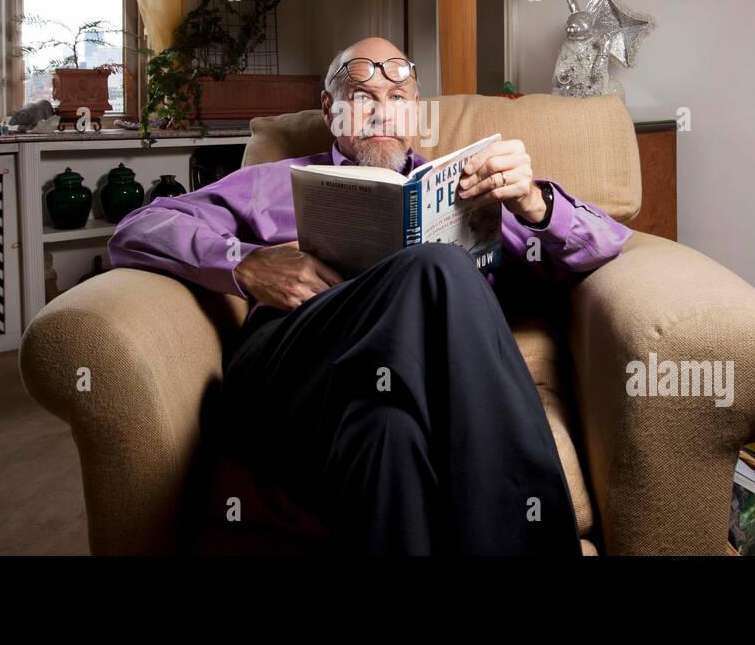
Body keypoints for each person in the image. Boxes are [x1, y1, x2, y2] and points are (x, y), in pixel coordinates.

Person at [107, 37, 634, 555]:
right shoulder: (271, 182)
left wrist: (535, 202)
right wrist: (244, 264)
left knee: (389, 434)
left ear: (414, 112)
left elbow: (608, 244)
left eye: (398, 99)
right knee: (437, 266)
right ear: (330, 109)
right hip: (288, 372)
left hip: (397, 394)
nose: (383, 112)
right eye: (362, 98)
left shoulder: (469, 186)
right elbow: (137, 228)